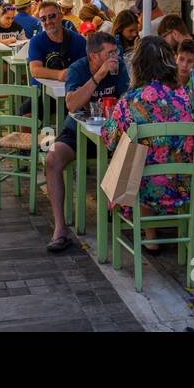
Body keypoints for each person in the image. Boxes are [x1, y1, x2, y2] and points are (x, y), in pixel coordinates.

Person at [100, 36, 194, 252]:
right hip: (182, 184)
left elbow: (110, 139)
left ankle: (149, 236)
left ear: (138, 65)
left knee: (133, 158)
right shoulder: (185, 95)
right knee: (151, 156)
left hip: (142, 187)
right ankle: (165, 236)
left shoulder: (131, 100)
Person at [43, 31, 129, 253]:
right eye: (109, 53)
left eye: (115, 52)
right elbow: (72, 105)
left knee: (133, 153)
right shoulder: (78, 69)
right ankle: (60, 229)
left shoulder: (119, 69)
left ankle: (123, 216)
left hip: (109, 133)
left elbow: (125, 101)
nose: (114, 57)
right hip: (77, 132)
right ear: (93, 55)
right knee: (52, 159)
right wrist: (98, 77)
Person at [27, 0, 87, 90]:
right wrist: (59, 74)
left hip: (71, 93)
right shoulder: (36, 41)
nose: (48, 21)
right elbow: (35, 70)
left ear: (61, 16)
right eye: (43, 19)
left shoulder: (78, 41)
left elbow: (86, 67)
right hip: (41, 94)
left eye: (52, 16)